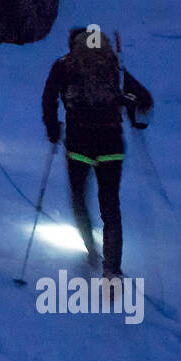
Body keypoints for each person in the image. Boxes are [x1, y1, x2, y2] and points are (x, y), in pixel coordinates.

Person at [41, 27, 152, 278]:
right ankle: (112, 267)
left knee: (79, 198)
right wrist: (130, 109)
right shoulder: (114, 66)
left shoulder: (64, 65)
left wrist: (52, 128)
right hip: (112, 145)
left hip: (78, 144)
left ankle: (90, 249)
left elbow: (49, 98)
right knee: (111, 205)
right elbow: (143, 99)